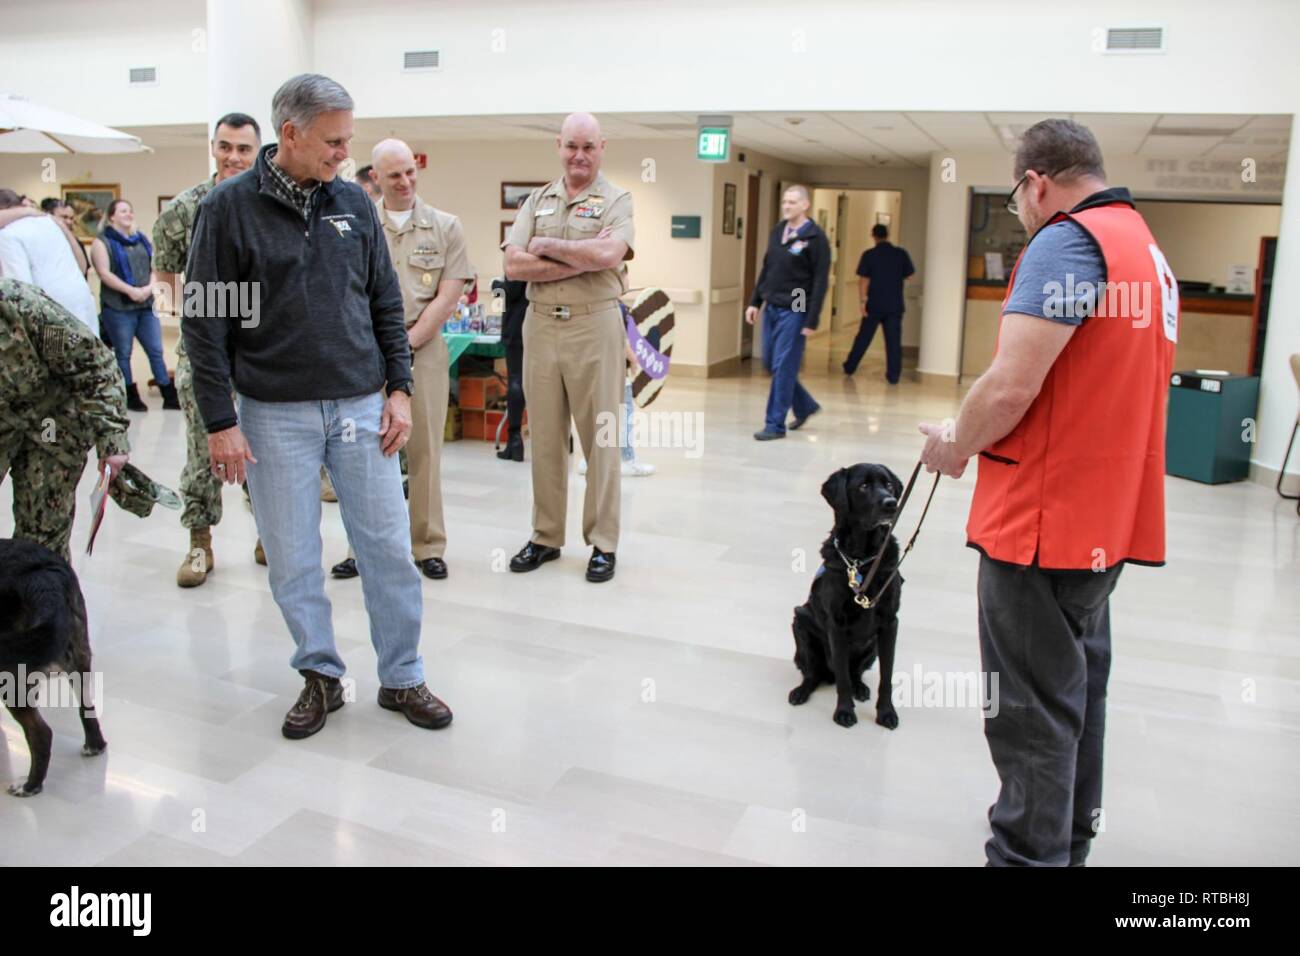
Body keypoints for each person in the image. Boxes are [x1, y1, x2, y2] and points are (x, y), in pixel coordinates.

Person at [918, 118, 1177, 867]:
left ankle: (1028, 854)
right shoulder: (1143, 247)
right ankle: (1067, 836)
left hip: (1042, 525)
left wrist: (955, 445)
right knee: (1077, 692)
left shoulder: (1066, 242)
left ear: (1036, 184)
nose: (1021, 215)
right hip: (1103, 524)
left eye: (1017, 200)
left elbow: (1010, 386)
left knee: (1029, 710)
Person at [183, 73, 451, 739]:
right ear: (291, 134)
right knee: (295, 555)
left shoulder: (353, 206)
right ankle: (320, 674)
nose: (343, 153)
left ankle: (404, 675)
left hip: (362, 406)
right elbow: (204, 327)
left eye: (348, 140)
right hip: (275, 415)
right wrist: (221, 422)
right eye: (333, 141)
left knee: (388, 548)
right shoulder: (228, 211)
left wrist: (399, 388)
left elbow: (385, 304)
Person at [329, 137, 473, 582]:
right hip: (364, 353)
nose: (406, 181)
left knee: (424, 449)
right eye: (395, 175)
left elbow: (450, 294)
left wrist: (405, 344)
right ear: (376, 178)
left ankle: (427, 544)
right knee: (364, 453)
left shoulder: (446, 226)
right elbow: (341, 290)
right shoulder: (354, 224)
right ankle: (360, 547)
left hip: (422, 350)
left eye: (411, 171)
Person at [502, 112, 635, 584]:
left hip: (594, 326)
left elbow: (607, 255)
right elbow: (514, 265)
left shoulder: (617, 199)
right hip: (539, 327)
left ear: (602, 148)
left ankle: (603, 543)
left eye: (589, 147)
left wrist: (545, 246)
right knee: (545, 438)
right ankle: (545, 536)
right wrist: (574, 257)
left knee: (601, 437)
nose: (579, 155)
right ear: (559, 146)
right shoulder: (536, 200)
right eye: (571, 146)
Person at [153, 111, 264, 588]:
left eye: (244, 148)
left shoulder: (272, 202)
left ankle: (270, 535)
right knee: (204, 449)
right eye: (226, 146)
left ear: (258, 151)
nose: (234, 156)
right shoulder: (185, 208)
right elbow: (162, 277)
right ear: (213, 148)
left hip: (265, 349)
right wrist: (192, 321)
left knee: (268, 446)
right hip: (205, 354)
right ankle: (200, 543)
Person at [0, 278, 130, 561]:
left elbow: (96, 363)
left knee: (42, 537)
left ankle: (43, 601)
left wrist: (112, 439)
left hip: (53, 423)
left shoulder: (20, 305)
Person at [746, 185, 830, 441]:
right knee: (772, 362)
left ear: (805, 205)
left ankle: (774, 424)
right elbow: (767, 269)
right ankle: (804, 405)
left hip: (797, 301)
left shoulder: (816, 238)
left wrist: (810, 318)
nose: (786, 206)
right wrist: (755, 302)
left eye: (792, 202)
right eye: (784, 202)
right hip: (772, 301)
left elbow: (819, 281)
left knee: (784, 366)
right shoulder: (777, 231)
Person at [90, 199, 177, 412]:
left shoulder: (141, 240)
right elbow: (104, 273)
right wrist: (130, 291)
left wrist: (148, 288)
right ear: (111, 217)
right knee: (123, 353)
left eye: (130, 210)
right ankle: (130, 395)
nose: (128, 214)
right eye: (123, 211)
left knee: (156, 351)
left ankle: (168, 394)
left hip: (146, 305)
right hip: (118, 307)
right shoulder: (102, 242)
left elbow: (154, 267)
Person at [0, 189, 98, 335]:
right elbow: (81, 266)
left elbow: (21, 291)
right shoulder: (50, 223)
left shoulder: (8, 235)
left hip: (50, 314)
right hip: (81, 303)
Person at [842, 223, 914, 383]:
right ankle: (893, 376)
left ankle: (850, 366)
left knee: (863, 338)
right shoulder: (901, 254)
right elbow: (910, 276)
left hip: (874, 304)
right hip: (894, 305)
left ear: (873, 236)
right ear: (888, 235)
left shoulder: (869, 255)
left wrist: (862, 301)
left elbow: (864, 280)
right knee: (893, 342)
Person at [493, 276, 528, 462]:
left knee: (516, 381)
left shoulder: (517, 261)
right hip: (535, 328)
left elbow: (508, 293)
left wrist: (496, 286)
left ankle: (514, 439)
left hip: (516, 327)